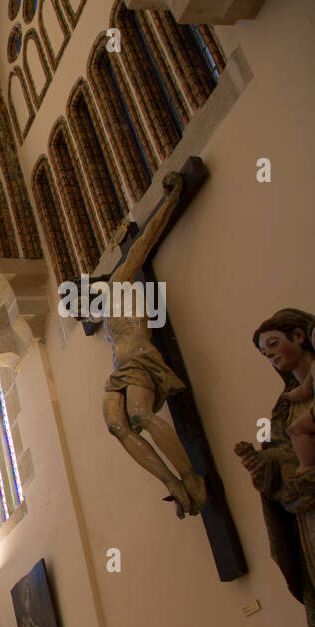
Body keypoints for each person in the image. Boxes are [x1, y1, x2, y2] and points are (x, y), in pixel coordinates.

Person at [100, 172, 208, 519]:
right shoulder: (102, 321)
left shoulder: (118, 283)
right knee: (116, 425)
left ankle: (190, 477)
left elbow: (145, 240)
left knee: (140, 414)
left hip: (142, 359)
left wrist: (172, 197)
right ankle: (171, 483)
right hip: (121, 371)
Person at [238, 308, 315, 627]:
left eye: (274, 345)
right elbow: (286, 455)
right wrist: (264, 465)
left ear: (299, 336)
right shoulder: (285, 409)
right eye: (265, 353)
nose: (271, 357)